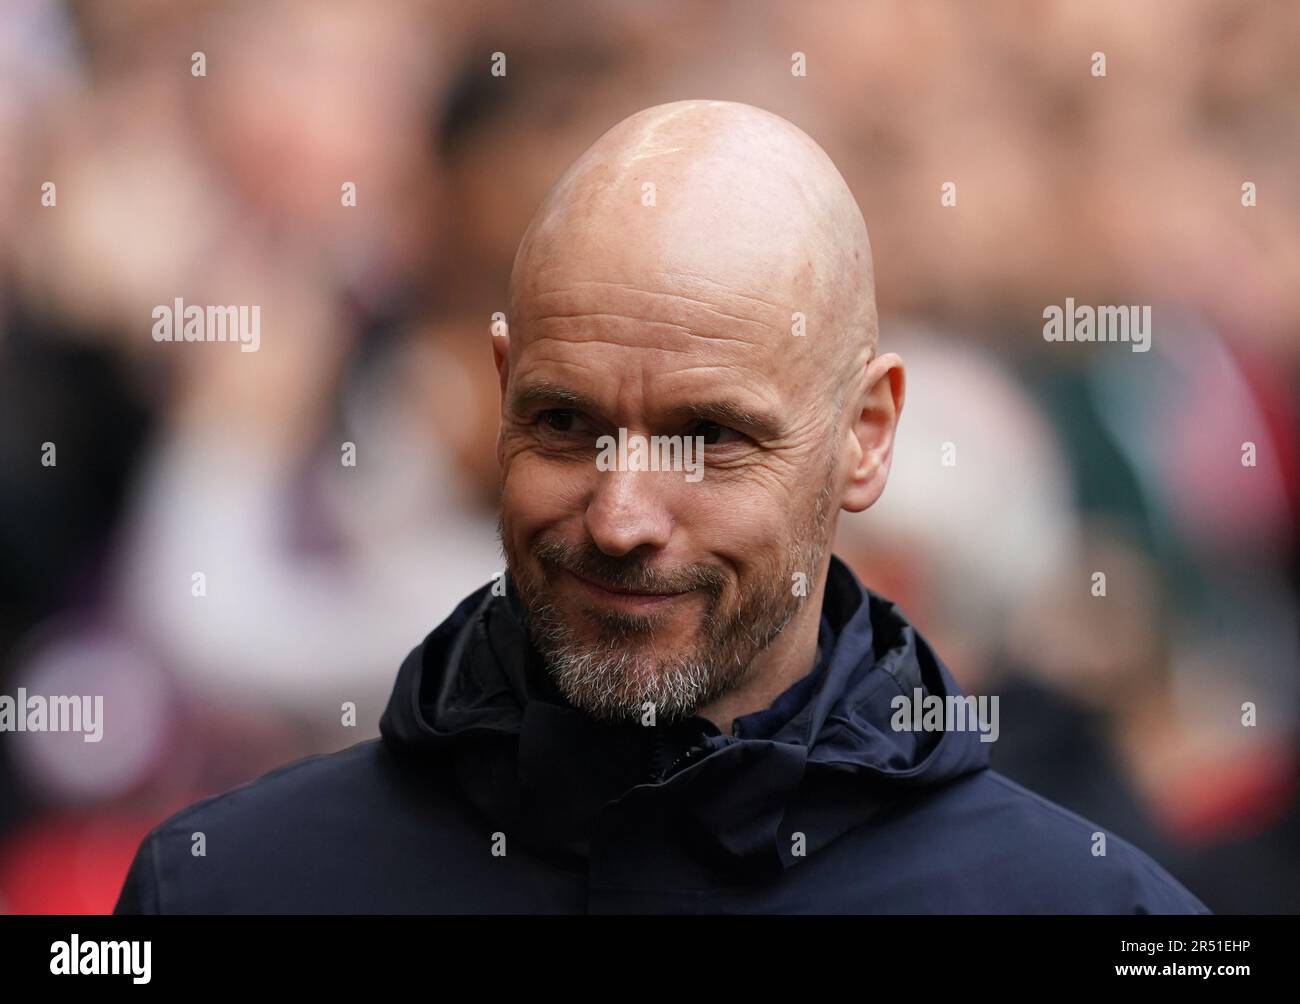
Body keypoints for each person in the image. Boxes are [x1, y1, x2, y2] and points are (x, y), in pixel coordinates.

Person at [114, 100, 1208, 914]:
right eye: (563, 423)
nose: (621, 515)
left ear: (865, 436)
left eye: (713, 437)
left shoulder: (1103, 916)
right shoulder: (230, 887)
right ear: (500, 392)